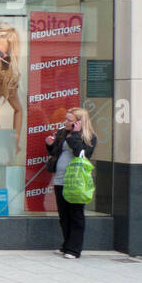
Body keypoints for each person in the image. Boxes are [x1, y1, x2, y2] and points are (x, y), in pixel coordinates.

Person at [46, 107, 97, 259]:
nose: (65, 122)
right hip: (60, 178)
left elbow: (81, 153)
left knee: (76, 214)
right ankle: (66, 244)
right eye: (66, 119)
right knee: (64, 214)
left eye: (69, 120)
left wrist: (75, 134)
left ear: (78, 123)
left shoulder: (88, 137)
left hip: (76, 181)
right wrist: (50, 144)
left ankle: (74, 249)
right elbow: (55, 152)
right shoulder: (62, 133)